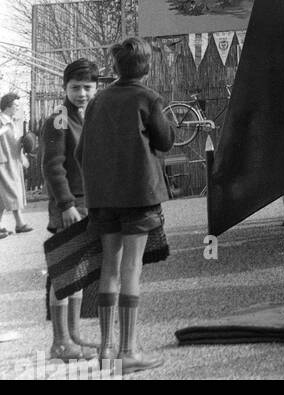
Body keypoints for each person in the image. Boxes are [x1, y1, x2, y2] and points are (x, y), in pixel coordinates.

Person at [76, 37, 174, 372]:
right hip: (138, 195)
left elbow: (80, 153)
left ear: (115, 67)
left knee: (109, 269)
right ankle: (128, 352)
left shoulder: (97, 101)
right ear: (147, 67)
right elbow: (165, 140)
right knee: (132, 268)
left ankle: (106, 350)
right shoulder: (148, 98)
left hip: (102, 199)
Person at [40, 59, 99, 359]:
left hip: (89, 203)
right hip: (70, 205)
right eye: (75, 87)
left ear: (96, 87)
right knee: (66, 273)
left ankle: (74, 335)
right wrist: (65, 205)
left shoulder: (91, 116)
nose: (82, 93)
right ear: (64, 88)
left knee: (78, 273)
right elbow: (52, 167)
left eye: (88, 87)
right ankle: (60, 341)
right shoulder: (59, 118)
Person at [0, 91, 31, 236]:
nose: (18, 108)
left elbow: (16, 142)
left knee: (4, 195)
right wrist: (5, 128)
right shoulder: (2, 121)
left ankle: (16, 224)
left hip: (13, 161)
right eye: (16, 106)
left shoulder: (13, 122)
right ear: (7, 106)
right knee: (12, 192)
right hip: (3, 163)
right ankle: (20, 223)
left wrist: (22, 157)